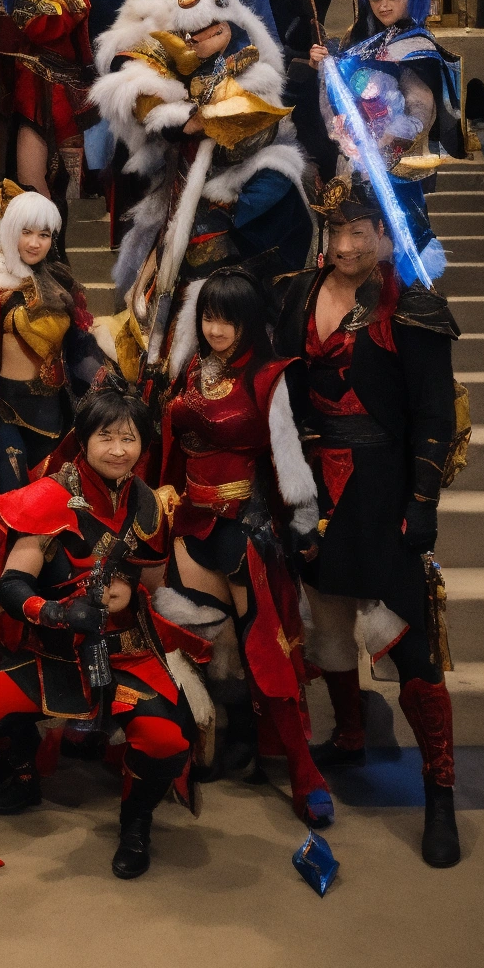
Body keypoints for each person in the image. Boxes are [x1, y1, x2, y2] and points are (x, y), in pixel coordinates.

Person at [277, 173, 463, 866]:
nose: (348, 244)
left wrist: (423, 504)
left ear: (385, 236)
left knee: (410, 643)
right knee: (324, 617)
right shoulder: (298, 293)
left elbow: (435, 417)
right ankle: (350, 735)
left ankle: (439, 788)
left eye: (361, 231)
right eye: (337, 231)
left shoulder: (409, 305)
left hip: (385, 490)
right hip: (314, 489)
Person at [0, 378, 205, 878]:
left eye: (129, 438)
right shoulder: (48, 497)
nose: (118, 449)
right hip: (56, 653)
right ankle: (23, 772)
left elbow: (153, 580)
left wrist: (132, 592)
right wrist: (58, 613)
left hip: (127, 651)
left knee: (167, 742)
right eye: (106, 437)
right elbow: (11, 586)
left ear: (142, 445)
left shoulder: (150, 504)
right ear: (83, 439)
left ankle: (135, 822)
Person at [153, 267, 330, 823]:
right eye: (208, 316)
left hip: (242, 529)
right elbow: (173, 450)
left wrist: (302, 518)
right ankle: (203, 746)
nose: (215, 328)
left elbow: (286, 457)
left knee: (264, 653)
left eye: (227, 318)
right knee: (186, 642)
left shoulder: (269, 376)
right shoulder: (189, 371)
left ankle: (304, 772)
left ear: (249, 321)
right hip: (187, 522)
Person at [89, 0, 312, 379]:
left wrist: (194, 119)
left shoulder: (251, 69)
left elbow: (242, 129)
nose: (202, 40)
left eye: (212, 31)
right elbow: (137, 95)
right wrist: (174, 116)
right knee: (155, 291)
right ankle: (169, 373)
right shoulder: (179, 61)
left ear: (228, 25)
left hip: (240, 191)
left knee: (218, 285)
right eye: (192, 35)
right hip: (180, 196)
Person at [309, 0, 464, 282]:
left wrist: (382, 145)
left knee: (402, 248)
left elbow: (420, 111)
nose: (384, 4)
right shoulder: (359, 39)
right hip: (355, 161)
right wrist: (324, 65)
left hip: (395, 164)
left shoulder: (416, 46)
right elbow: (339, 90)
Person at [0, 186, 102, 514]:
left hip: (53, 415)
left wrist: (102, 376)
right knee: (18, 507)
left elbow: (77, 347)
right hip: (3, 413)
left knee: (55, 508)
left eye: (44, 235)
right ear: (9, 230)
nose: (35, 243)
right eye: (26, 233)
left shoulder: (60, 281)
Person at [0, 0, 94, 205]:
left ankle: (64, 235)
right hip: (29, 90)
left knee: (70, 176)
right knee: (29, 177)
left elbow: (40, 31)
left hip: (64, 94)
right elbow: (15, 40)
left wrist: (0, 17)